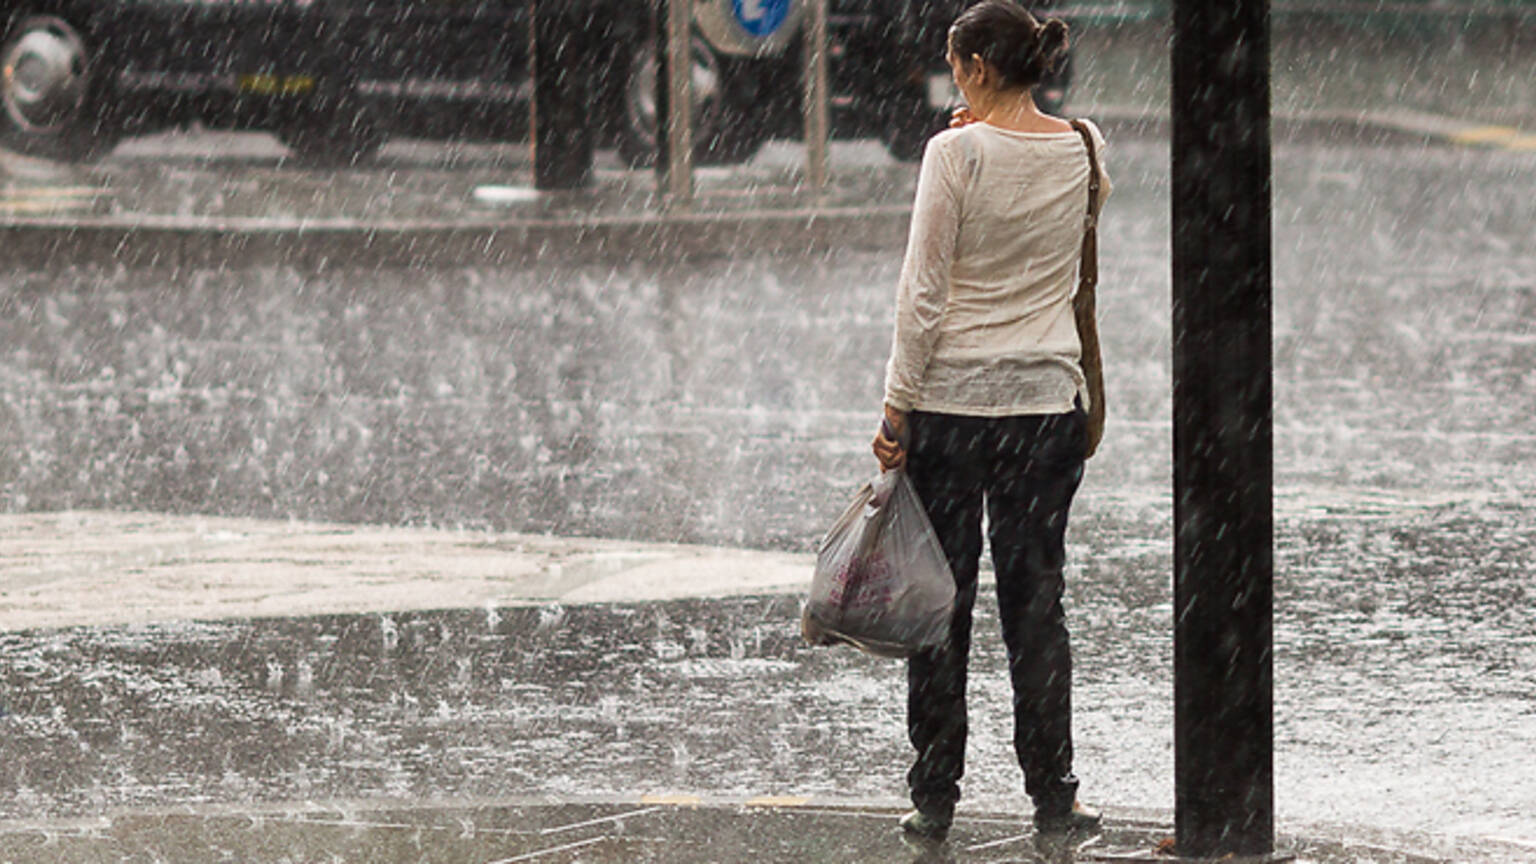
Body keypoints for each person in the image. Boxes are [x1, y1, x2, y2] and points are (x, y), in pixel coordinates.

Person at [870, 0, 1111, 842]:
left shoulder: (953, 154)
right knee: (1036, 604)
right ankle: (1054, 791)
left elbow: (924, 292)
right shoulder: (1083, 148)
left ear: (973, 69)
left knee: (941, 606)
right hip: (1046, 409)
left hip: (950, 408)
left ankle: (936, 795)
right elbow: (1076, 227)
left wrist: (897, 401)